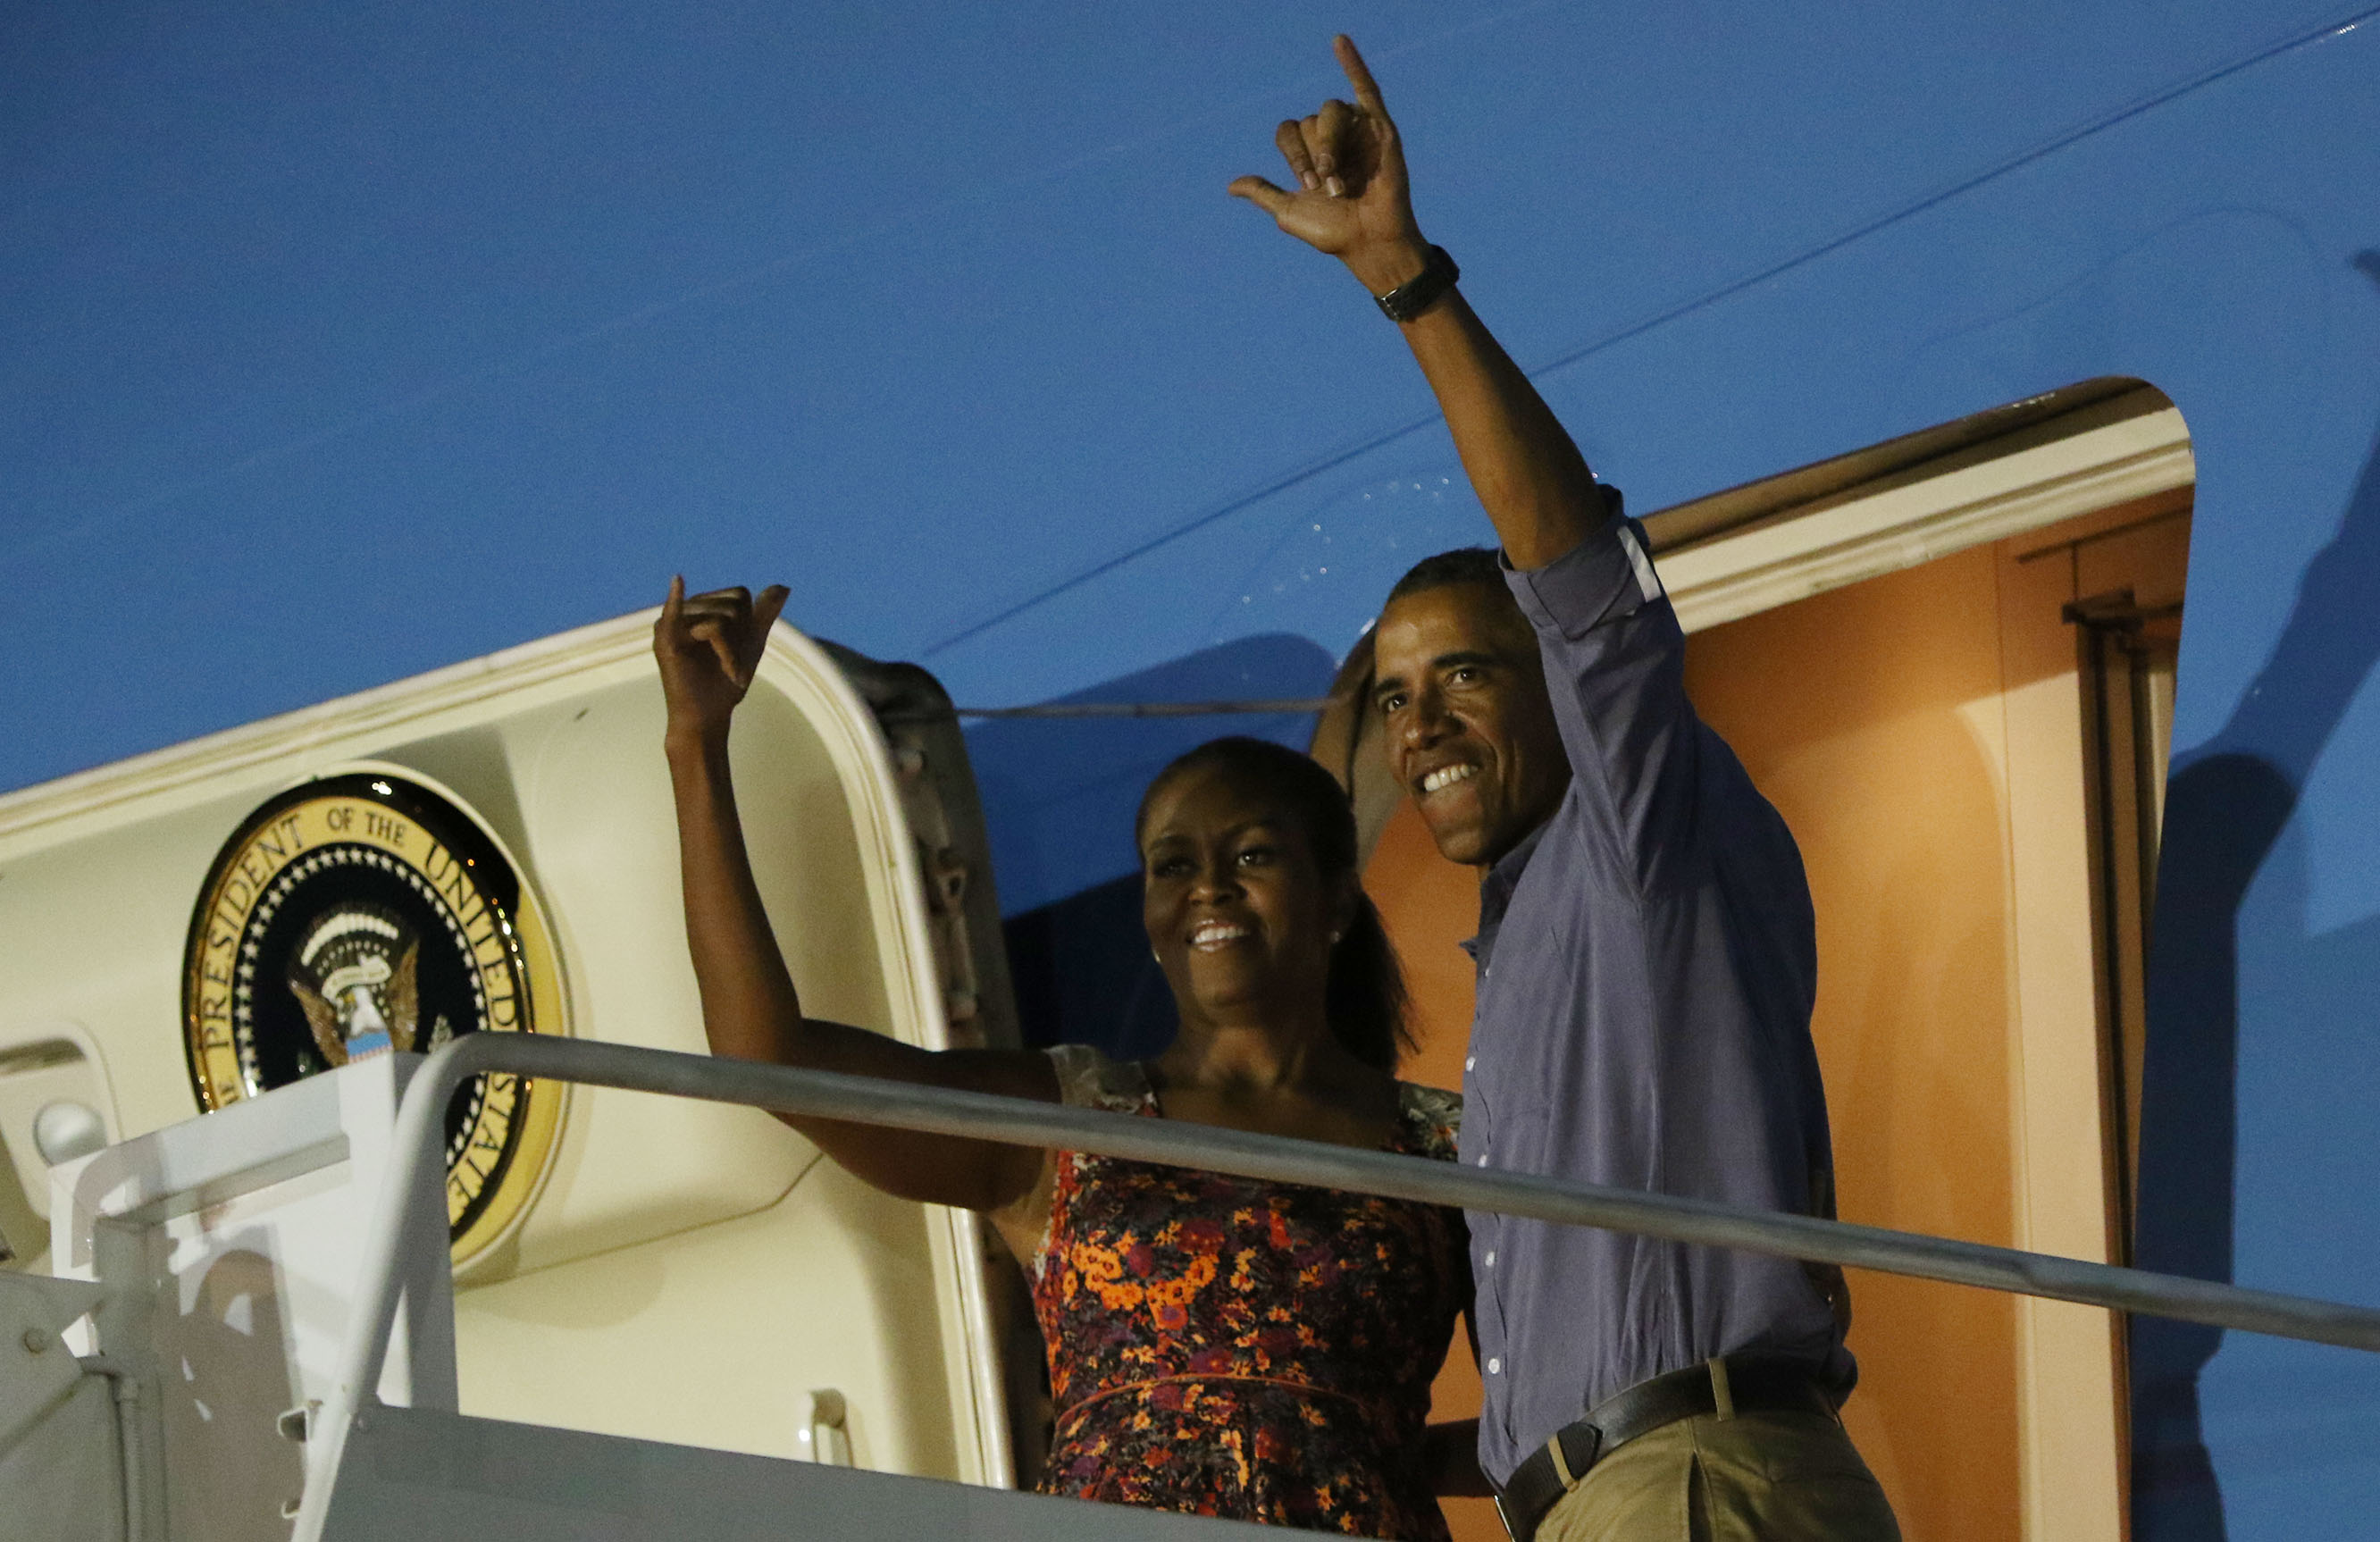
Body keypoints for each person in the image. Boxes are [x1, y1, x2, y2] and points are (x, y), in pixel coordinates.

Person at [1230, 38, 1899, 1542]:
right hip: (1615, 1496)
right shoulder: (1527, 942)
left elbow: (1579, 577)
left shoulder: (1634, 833)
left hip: (1692, 1492)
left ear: (1551, 681)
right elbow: (1581, 1382)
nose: (1421, 727)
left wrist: (1405, 283)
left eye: (1461, 674)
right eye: (1393, 701)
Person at [653, 578, 1483, 1538]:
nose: (1208, 886)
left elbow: (1561, 1396)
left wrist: (1371, 1453)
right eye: (1174, 864)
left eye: (1251, 855)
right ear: (1150, 913)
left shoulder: (1445, 1149)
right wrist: (696, 743)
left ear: (1337, 901)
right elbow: (768, 1057)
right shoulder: (1069, 1120)